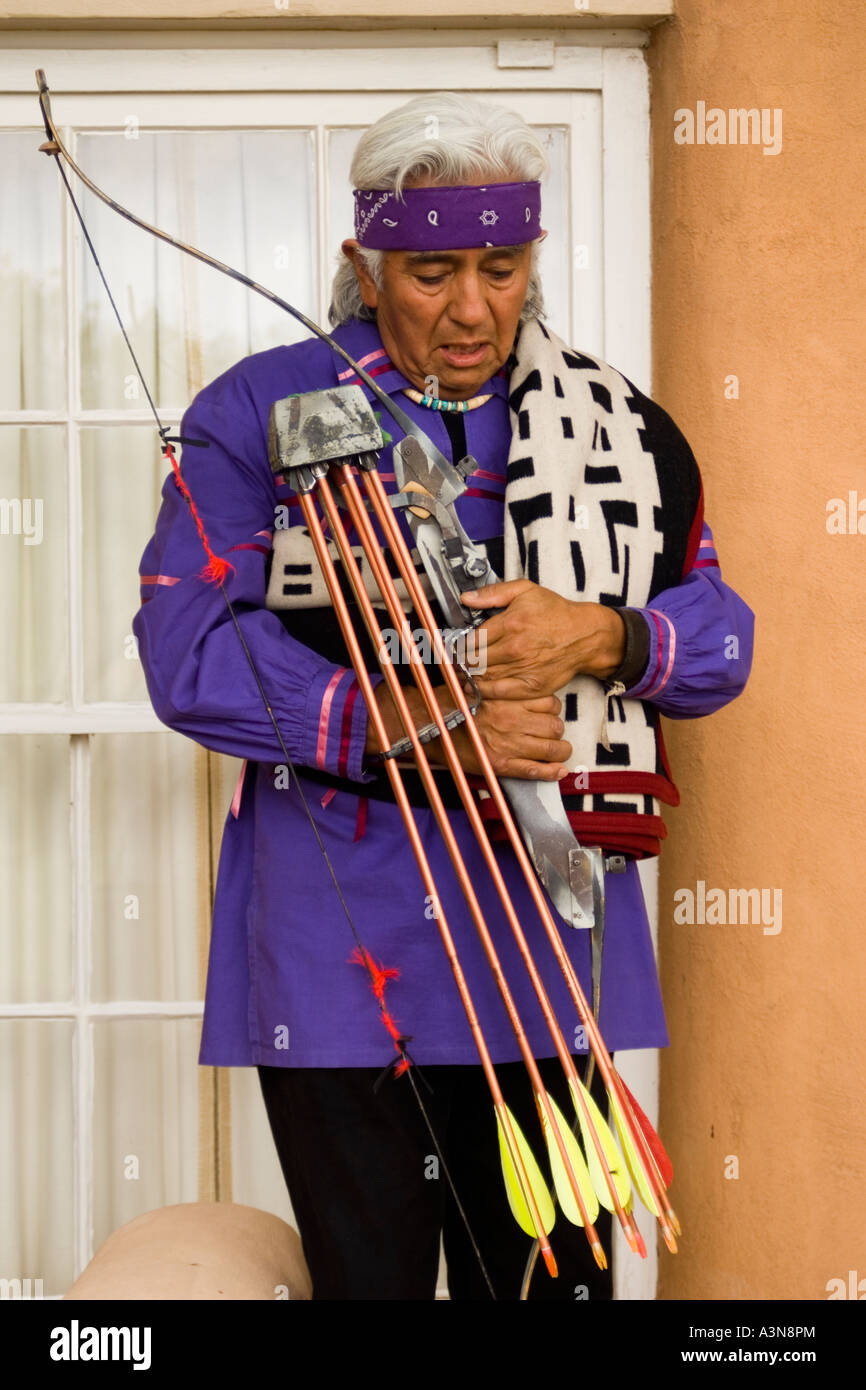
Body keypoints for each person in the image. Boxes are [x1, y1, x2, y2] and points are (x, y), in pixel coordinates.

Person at [132, 91, 754, 1301]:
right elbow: (184, 651)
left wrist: (608, 634)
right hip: (337, 942)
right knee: (372, 1283)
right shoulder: (256, 415)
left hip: (549, 925)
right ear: (364, 263)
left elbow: (718, 636)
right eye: (429, 272)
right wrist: (417, 725)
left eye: (500, 265)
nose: (471, 308)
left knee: (547, 1287)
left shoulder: (613, 426)